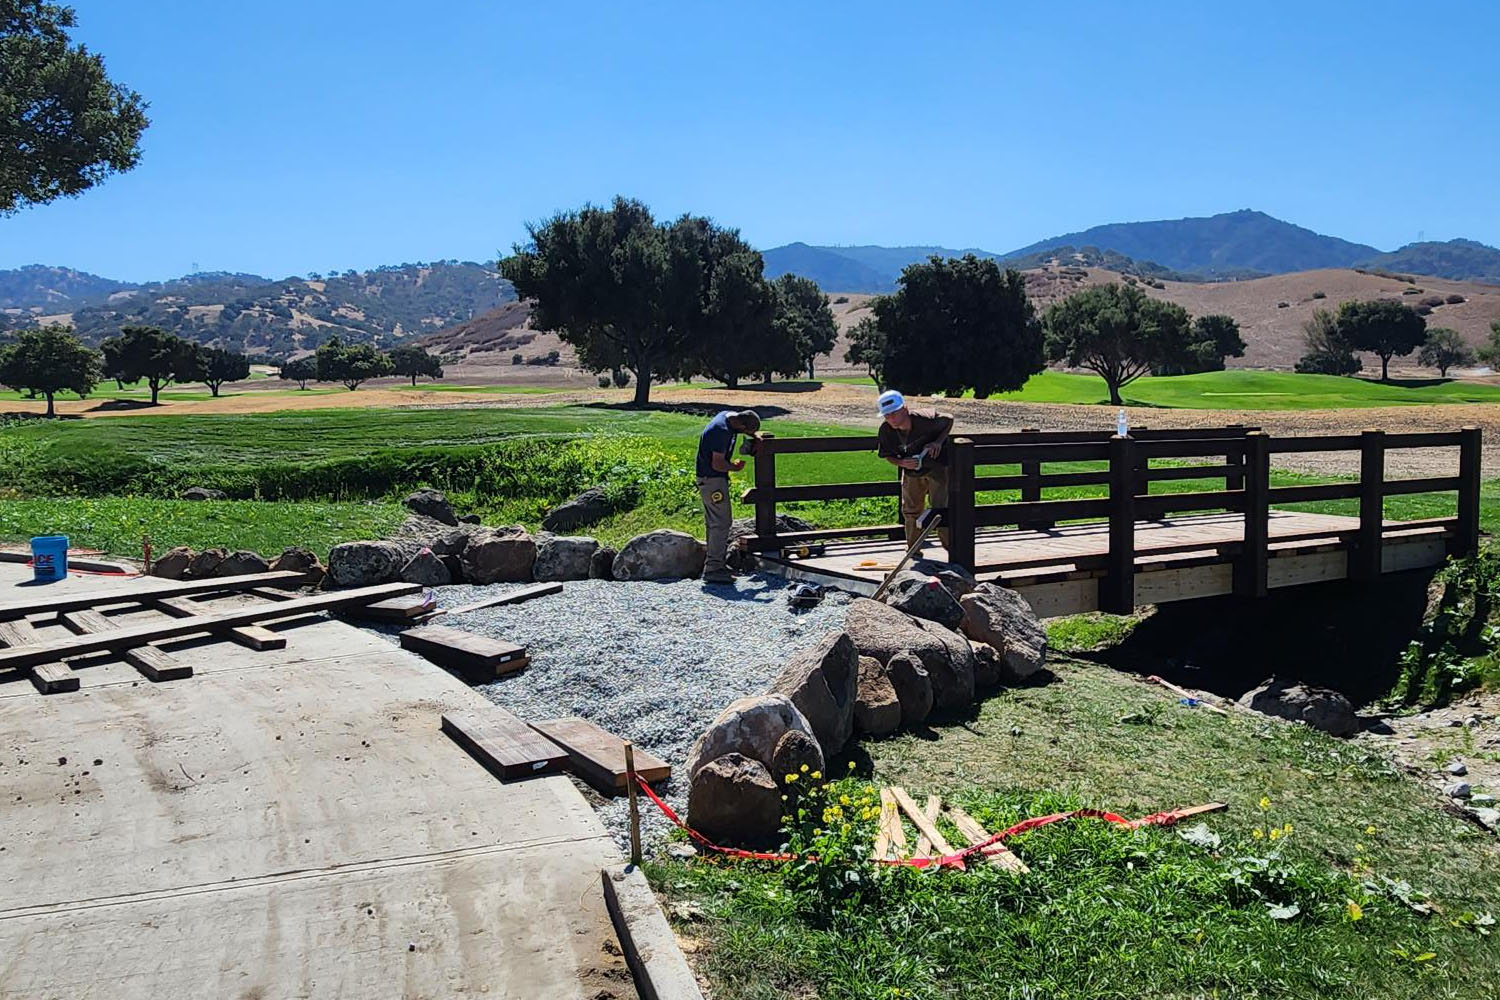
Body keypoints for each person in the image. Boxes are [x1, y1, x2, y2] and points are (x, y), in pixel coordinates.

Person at [876, 390, 954, 550]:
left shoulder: (925, 419)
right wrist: (902, 463)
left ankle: (952, 551)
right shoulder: (885, 431)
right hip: (911, 473)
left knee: (941, 509)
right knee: (911, 511)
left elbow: (949, 420)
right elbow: (887, 455)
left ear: (905, 409)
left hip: (937, 469)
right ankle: (913, 551)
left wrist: (938, 442)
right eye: (886, 415)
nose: (890, 419)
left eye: (893, 413)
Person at [696, 409, 761, 584]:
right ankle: (713, 569)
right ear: (740, 425)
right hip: (712, 481)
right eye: (746, 431)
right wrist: (735, 467)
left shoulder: (727, 417)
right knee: (720, 522)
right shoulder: (720, 432)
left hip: (711, 480)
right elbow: (717, 464)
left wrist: (754, 437)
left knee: (715, 522)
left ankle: (715, 564)